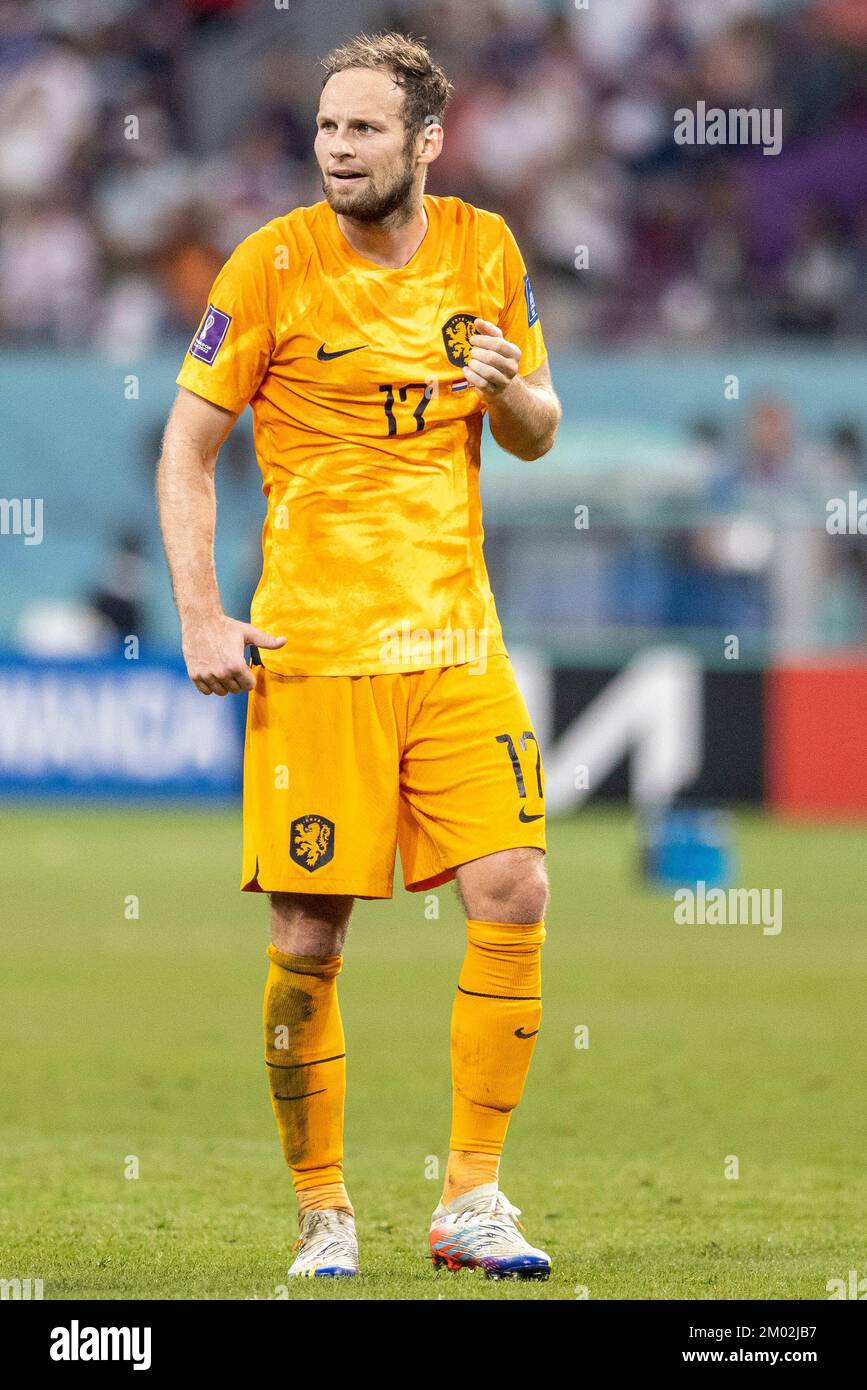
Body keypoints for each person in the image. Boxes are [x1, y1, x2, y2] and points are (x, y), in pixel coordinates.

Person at [156, 30, 562, 1281]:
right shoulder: (271, 263)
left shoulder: (485, 249)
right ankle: (324, 1209)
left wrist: (507, 391)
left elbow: (541, 430)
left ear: (426, 141)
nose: (338, 149)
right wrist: (201, 615)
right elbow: (186, 449)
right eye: (329, 129)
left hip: (455, 641)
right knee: (310, 935)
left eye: (365, 130)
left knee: (517, 888)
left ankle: (473, 1200)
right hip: (317, 649)